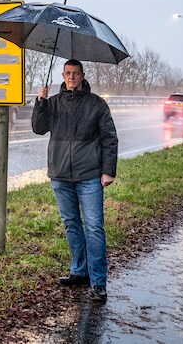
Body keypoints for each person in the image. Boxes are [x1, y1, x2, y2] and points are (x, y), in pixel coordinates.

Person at [32, 59, 119, 302]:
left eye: (76, 73)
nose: (71, 77)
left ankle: (99, 281)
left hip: (89, 175)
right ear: (63, 75)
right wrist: (40, 102)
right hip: (60, 174)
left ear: (82, 76)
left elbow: (109, 138)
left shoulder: (96, 104)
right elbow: (38, 129)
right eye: (68, 73)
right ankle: (79, 272)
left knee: (94, 227)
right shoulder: (53, 103)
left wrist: (107, 171)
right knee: (71, 224)